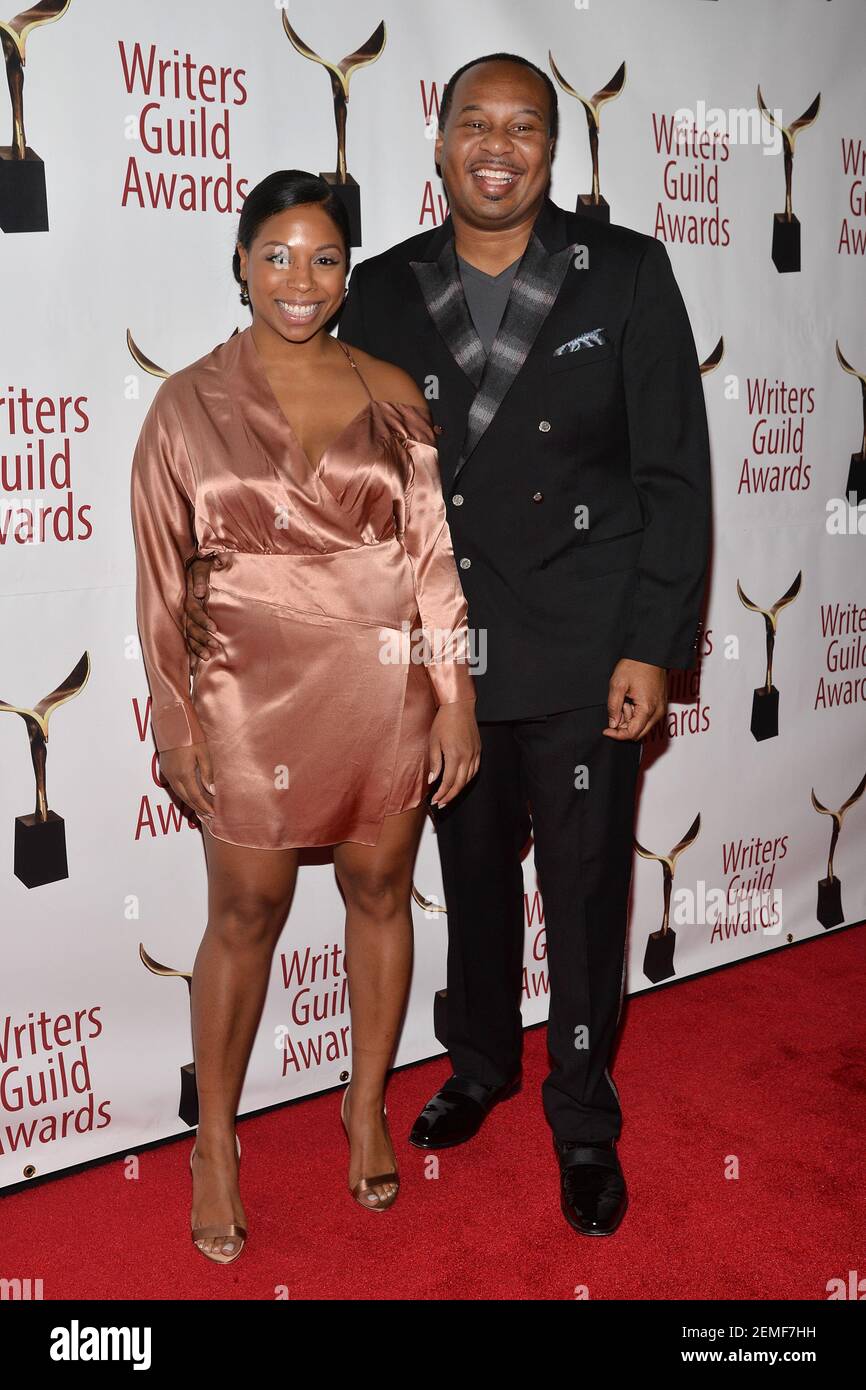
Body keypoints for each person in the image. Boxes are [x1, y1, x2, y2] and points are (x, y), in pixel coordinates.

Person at [185, 53, 711, 1238]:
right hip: (433, 660)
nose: (496, 144)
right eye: (473, 121)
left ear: (550, 152)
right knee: (467, 880)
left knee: (579, 894)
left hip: (585, 650)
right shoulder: (373, 287)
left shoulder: (623, 272)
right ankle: (477, 1063)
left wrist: (652, 645)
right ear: (436, 145)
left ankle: (582, 1118)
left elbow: (672, 474)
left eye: (522, 126)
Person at [130, 169, 479, 1263]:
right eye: (275, 254)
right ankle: (217, 1141)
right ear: (238, 260)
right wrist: (175, 719)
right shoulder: (184, 401)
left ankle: (363, 1099)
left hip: (383, 685)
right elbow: (157, 577)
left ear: (347, 273)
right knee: (246, 913)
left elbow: (430, 561)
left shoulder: (391, 390)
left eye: (324, 258)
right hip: (242, 691)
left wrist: (454, 697)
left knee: (380, 889)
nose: (299, 278)